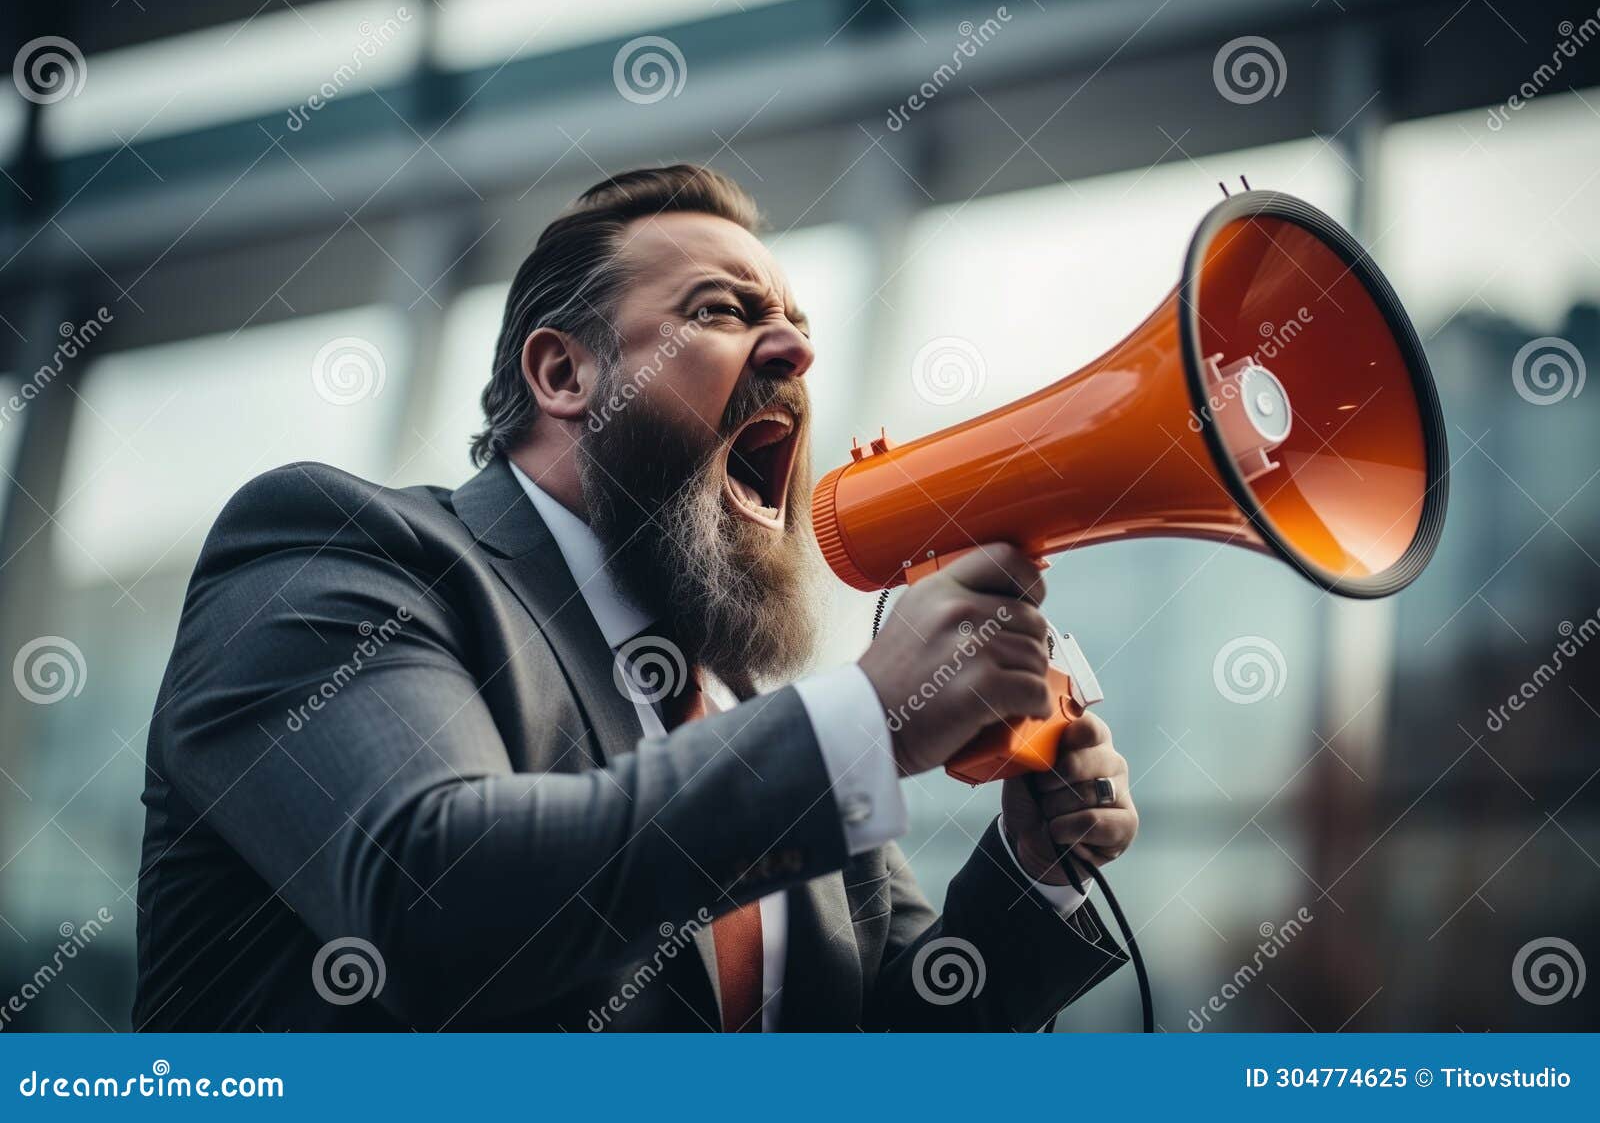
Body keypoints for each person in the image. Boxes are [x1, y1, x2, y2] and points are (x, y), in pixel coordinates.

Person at [133, 165, 1138, 1031]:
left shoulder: (749, 714)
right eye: (723, 311)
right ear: (565, 370)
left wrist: (1032, 867)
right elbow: (435, 896)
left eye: (796, 323)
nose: (795, 351)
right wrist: (869, 716)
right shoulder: (336, 553)